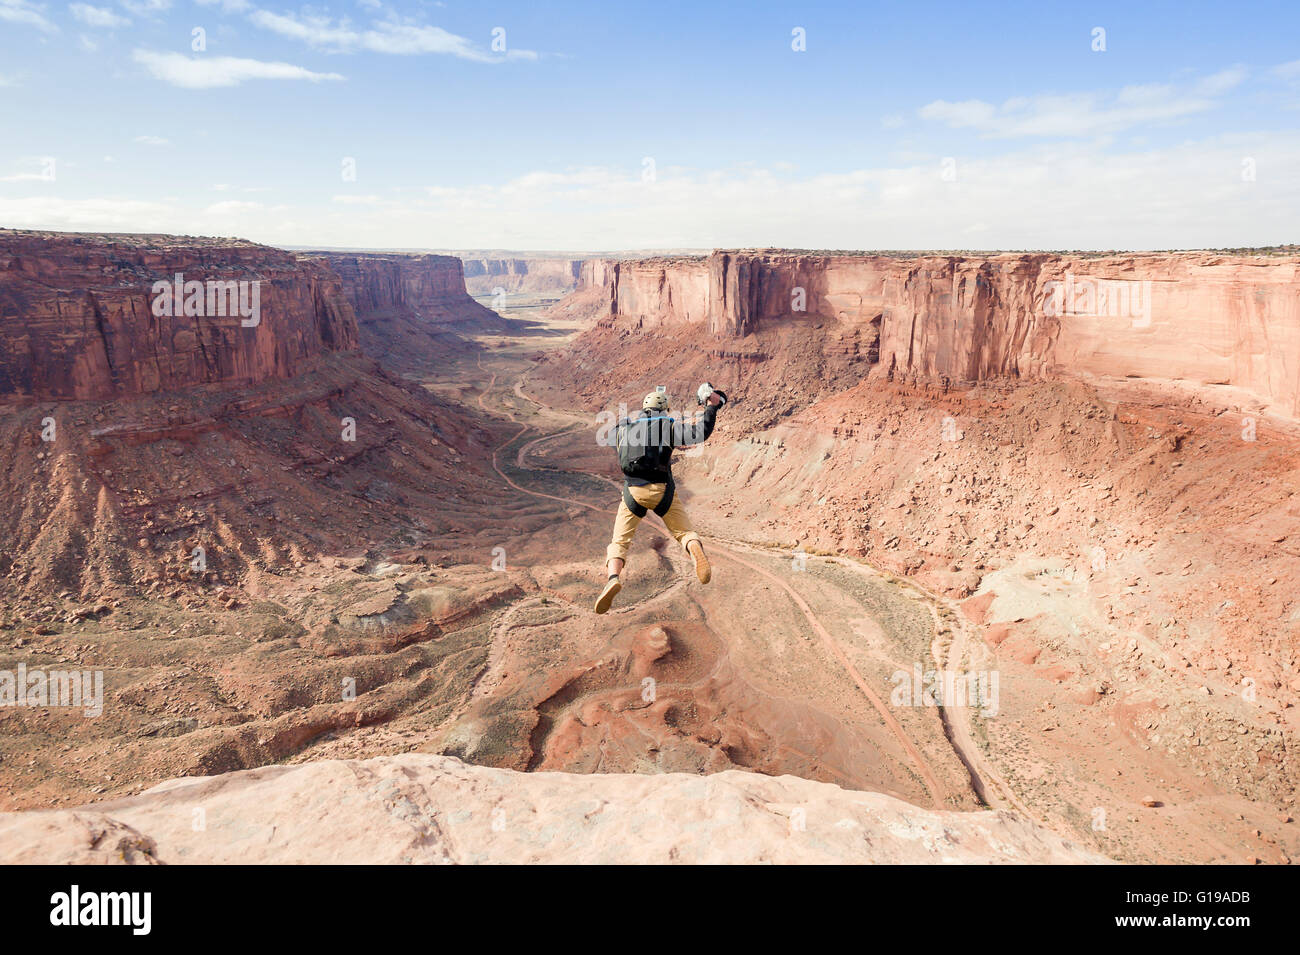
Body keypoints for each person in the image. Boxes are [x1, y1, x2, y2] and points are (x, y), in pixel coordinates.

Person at [594, 383, 727, 614]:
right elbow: (700, 433)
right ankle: (694, 549)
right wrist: (711, 408)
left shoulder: (622, 428)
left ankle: (613, 578)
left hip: (633, 493)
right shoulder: (669, 426)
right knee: (684, 532)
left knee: (619, 542)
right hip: (662, 491)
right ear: (665, 409)